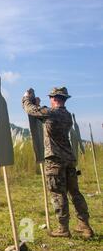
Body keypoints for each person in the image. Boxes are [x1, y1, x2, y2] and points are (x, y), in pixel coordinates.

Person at [22, 87, 94, 238]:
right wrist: (39, 105)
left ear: (54, 98)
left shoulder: (51, 113)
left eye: (51, 98)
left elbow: (29, 109)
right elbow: (41, 112)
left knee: (57, 193)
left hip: (54, 160)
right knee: (75, 193)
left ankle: (63, 228)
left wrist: (26, 98)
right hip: (69, 159)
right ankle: (85, 225)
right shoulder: (67, 115)